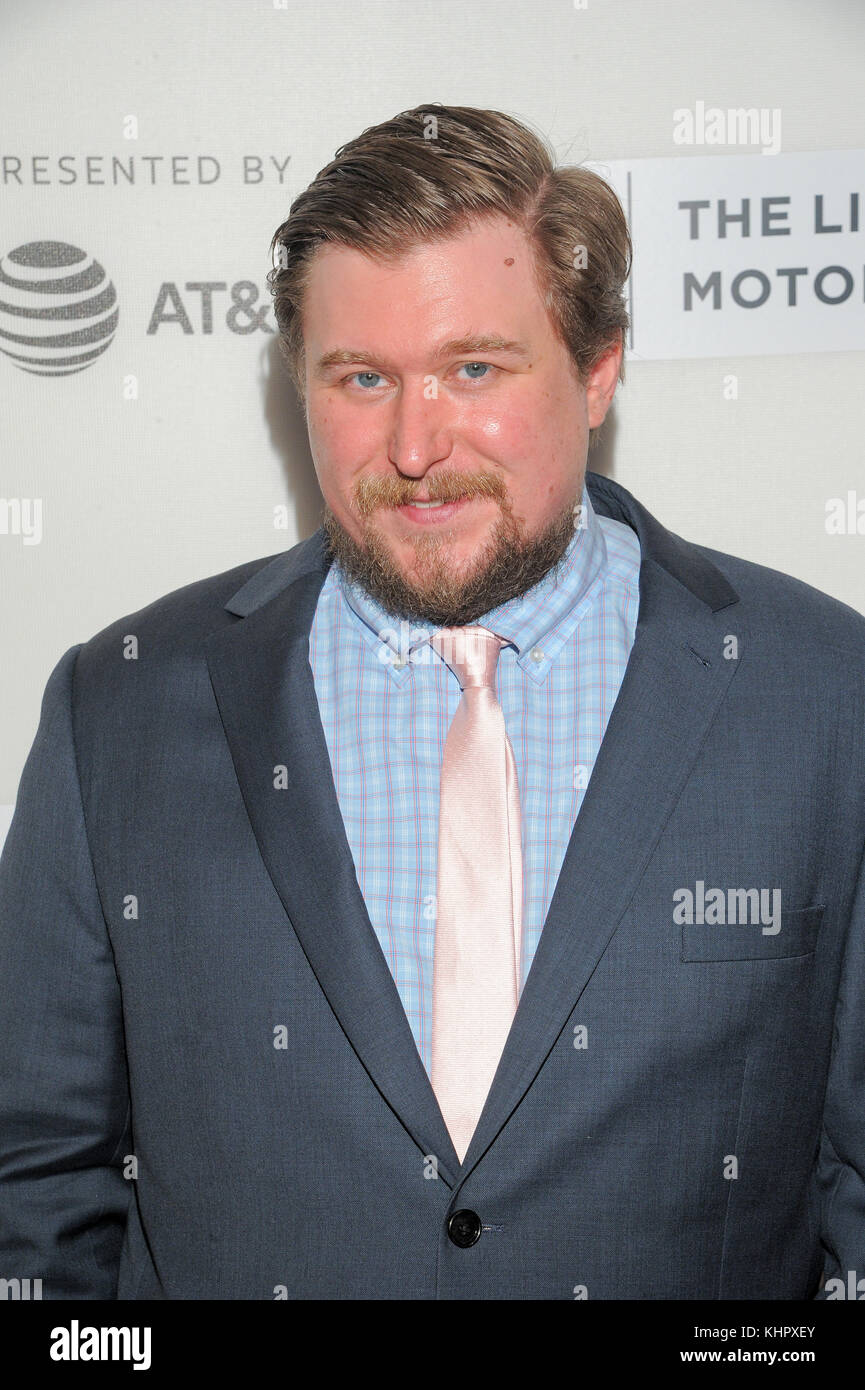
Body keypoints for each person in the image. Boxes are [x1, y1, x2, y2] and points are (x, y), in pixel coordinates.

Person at [0, 103, 863, 1301]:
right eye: (361, 377)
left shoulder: (824, 693)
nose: (414, 445)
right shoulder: (122, 706)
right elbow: (36, 1175)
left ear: (599, 364)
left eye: (473, 368)